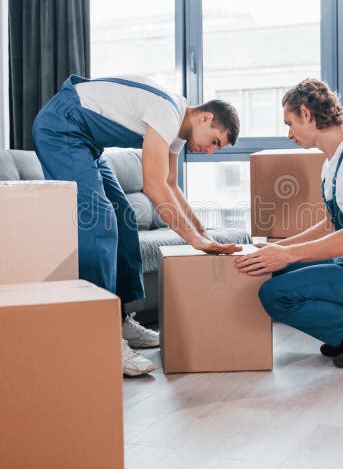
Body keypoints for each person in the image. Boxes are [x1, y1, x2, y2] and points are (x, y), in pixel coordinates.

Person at [33, 74, 242, 376]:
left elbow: (172, 185)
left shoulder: (178, 131)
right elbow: (154, 187)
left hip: (87, 143)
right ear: (206, 117)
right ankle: (102, 337)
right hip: (60, 128)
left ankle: (119, 320)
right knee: (99, 222)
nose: (210, 151)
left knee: (124, 218)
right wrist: (194, 242)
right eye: (214, 142)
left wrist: (203, 234)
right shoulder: (167, 112)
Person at [236, 78, 343, 369]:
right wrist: (274, 249)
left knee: (274, 295)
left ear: (306, 113)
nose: (289, 134)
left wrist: (288, 254)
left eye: (289, 123)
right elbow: (331, 225)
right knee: (274, 271)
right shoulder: (331, 164)